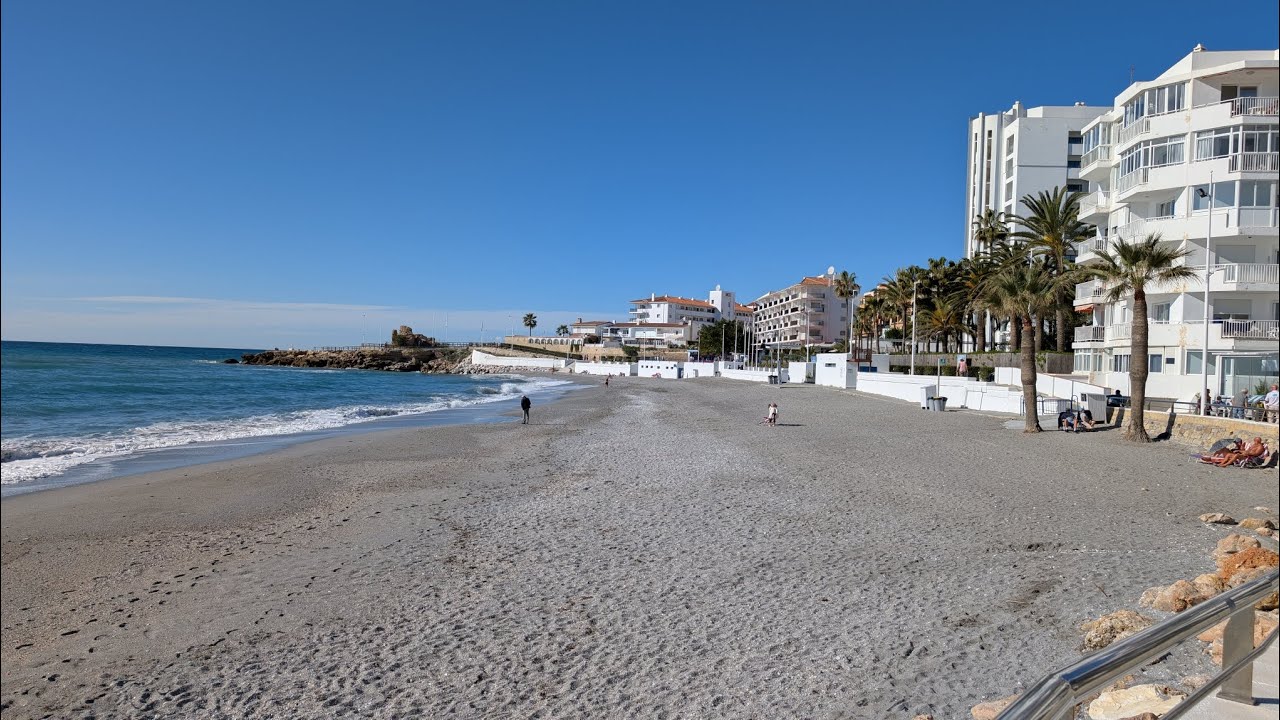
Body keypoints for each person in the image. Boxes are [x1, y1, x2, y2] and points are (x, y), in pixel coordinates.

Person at [1200, 437, 1266, 467]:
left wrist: (1245, 452)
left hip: (1249, 458)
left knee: (1236, 455)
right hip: (1244, 454)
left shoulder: (1260, 447)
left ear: (1258, 441)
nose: (1254, 442)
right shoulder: (1254, 445)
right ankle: (1221, 464)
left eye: (1255, 441)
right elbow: (1246, 451)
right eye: (1254, 441)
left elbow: (1256, 454)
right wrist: (1241, 451)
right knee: (1228, 454)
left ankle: (1225, 464)